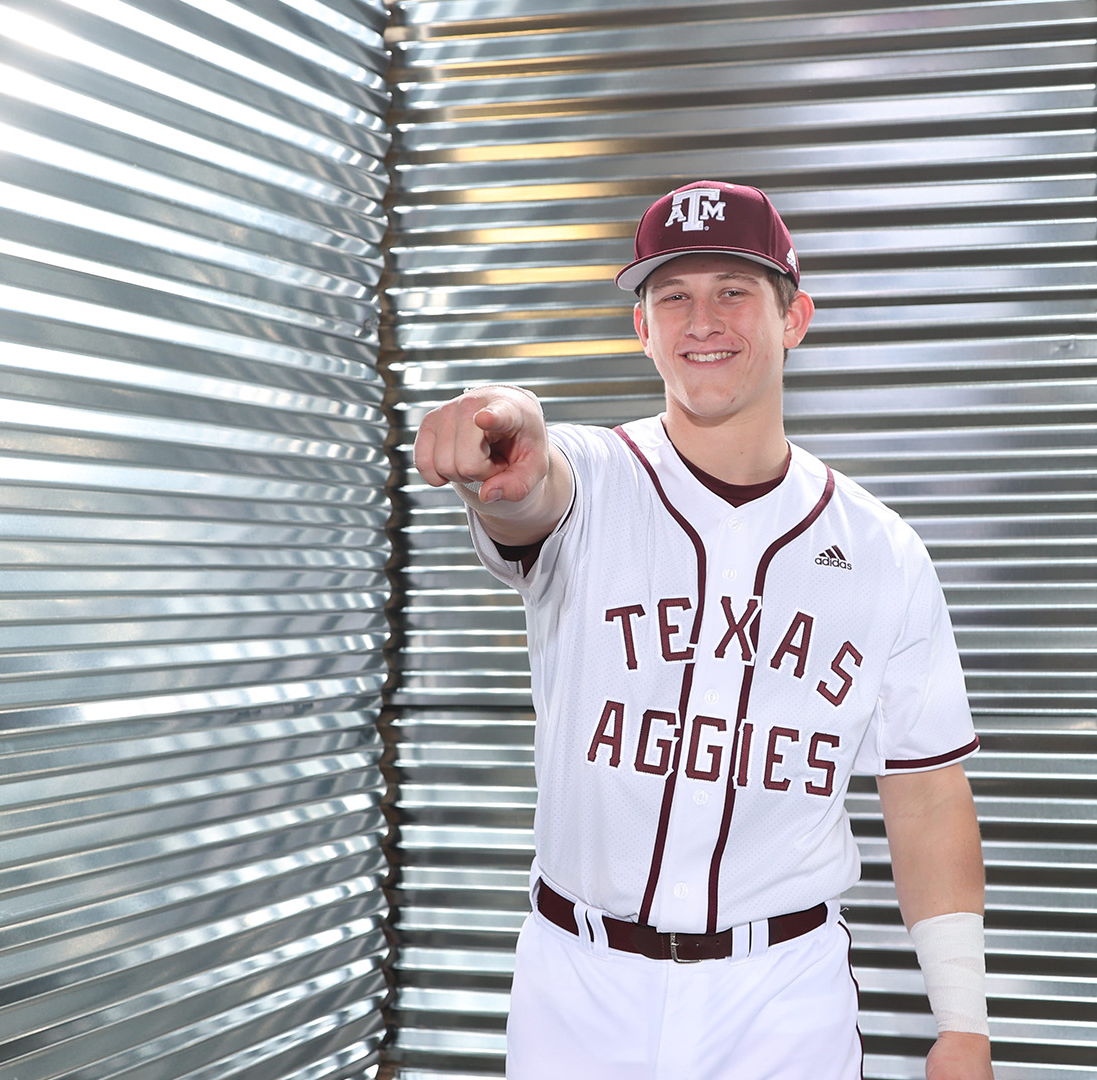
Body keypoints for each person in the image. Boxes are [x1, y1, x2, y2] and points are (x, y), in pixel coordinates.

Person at [414, 180, 992, 1080]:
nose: (702, 319)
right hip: (579, 986)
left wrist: (962, 1020)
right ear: (642, 330)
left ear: (794, 316)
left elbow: (924, 790)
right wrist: (507, 439)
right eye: (672, 296)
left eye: (733, 289)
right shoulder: (592, 479)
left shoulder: (883, 550)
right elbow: (531, 497)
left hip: (781, 997)